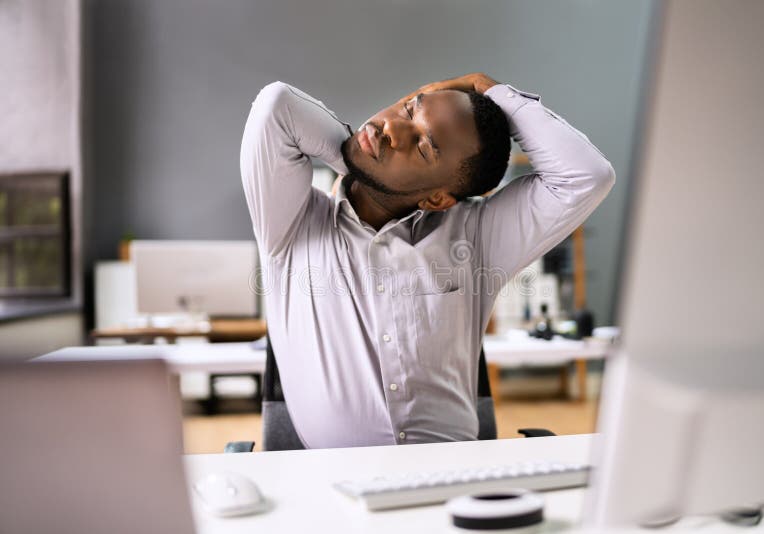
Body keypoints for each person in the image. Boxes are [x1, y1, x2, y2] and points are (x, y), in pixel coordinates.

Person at [240, 73, 614, 448]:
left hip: (450, 472)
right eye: (408, 107)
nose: (393, 130)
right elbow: (277, 105)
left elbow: (586, 176)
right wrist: (359, 160)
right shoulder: (291, 225)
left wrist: (494, 91)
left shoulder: (478, 238)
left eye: (422, 146)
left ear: (438, 199)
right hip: (332, 481)